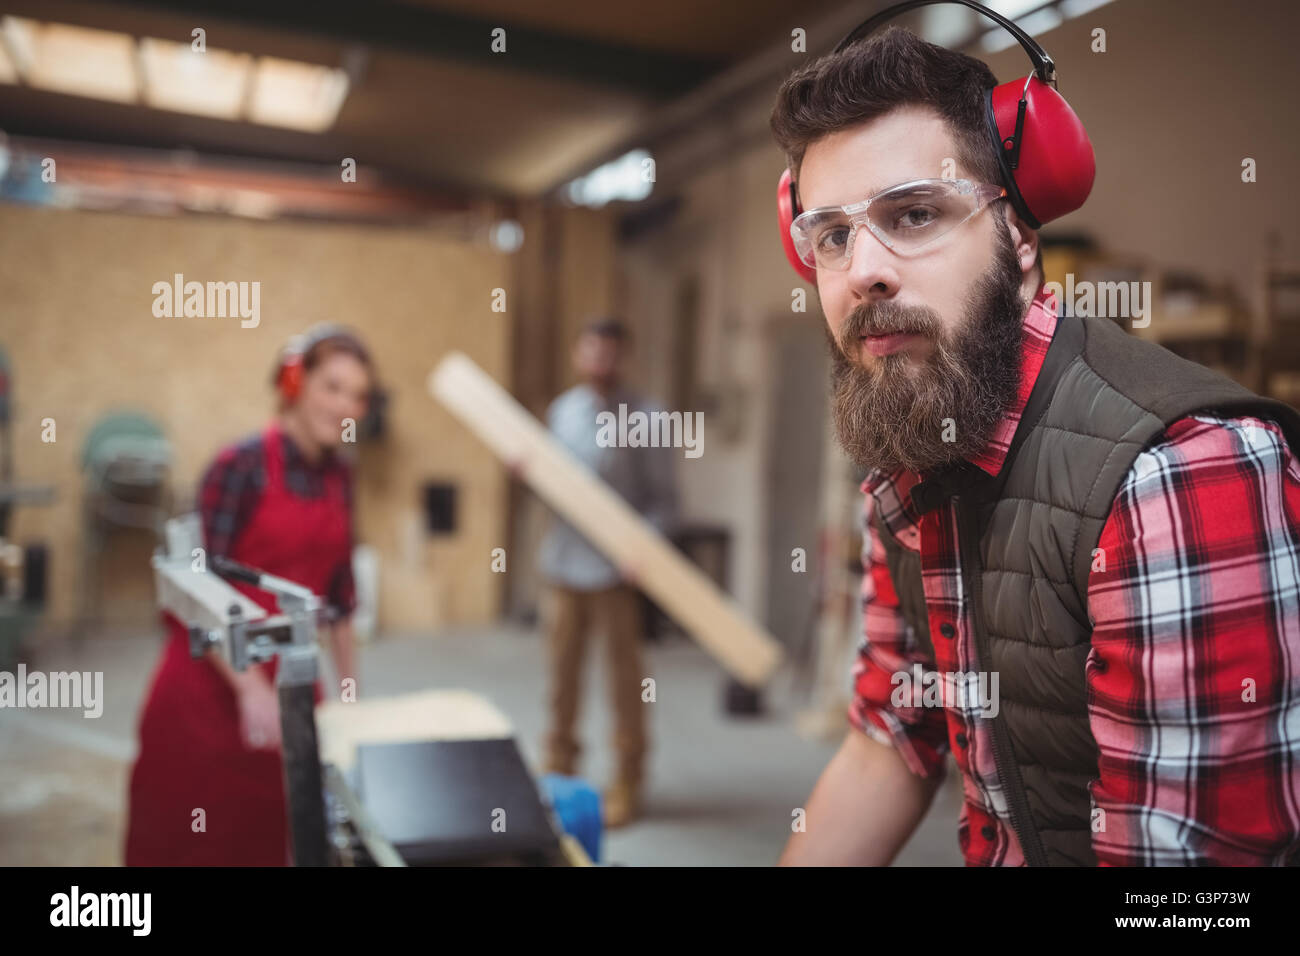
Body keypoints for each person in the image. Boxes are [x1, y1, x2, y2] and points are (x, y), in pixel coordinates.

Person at [772, 24, 1300, 866]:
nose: (862, 269)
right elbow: (890, 745)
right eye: (831, 234)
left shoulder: (1175, 471)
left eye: (913, 214)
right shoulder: (907, 456)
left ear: (1019, 238)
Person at [125, 325, 374, 865]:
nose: (346, 406)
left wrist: (351, 696)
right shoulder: (240, 465)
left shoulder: (340, 477)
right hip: (208, 694)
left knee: (266, 841)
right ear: (294, 383)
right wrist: (248, 690)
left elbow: (339, 600)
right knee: (192, 841)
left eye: (357, 394)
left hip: (290, 694)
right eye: (332, 388)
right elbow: (192, 591)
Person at [538, 318, 677, 828]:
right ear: (579, 354)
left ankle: (628, 779)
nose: (599, 361)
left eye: (609, 353)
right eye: (591, 351)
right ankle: (558, 772)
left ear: (622, 358)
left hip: (619, 573)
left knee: (625, 683)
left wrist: (644, 548)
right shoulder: (563, 412)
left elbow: (665, 503)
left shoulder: (648, 416)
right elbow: (551, 487)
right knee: (561, 680)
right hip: (563, 566)